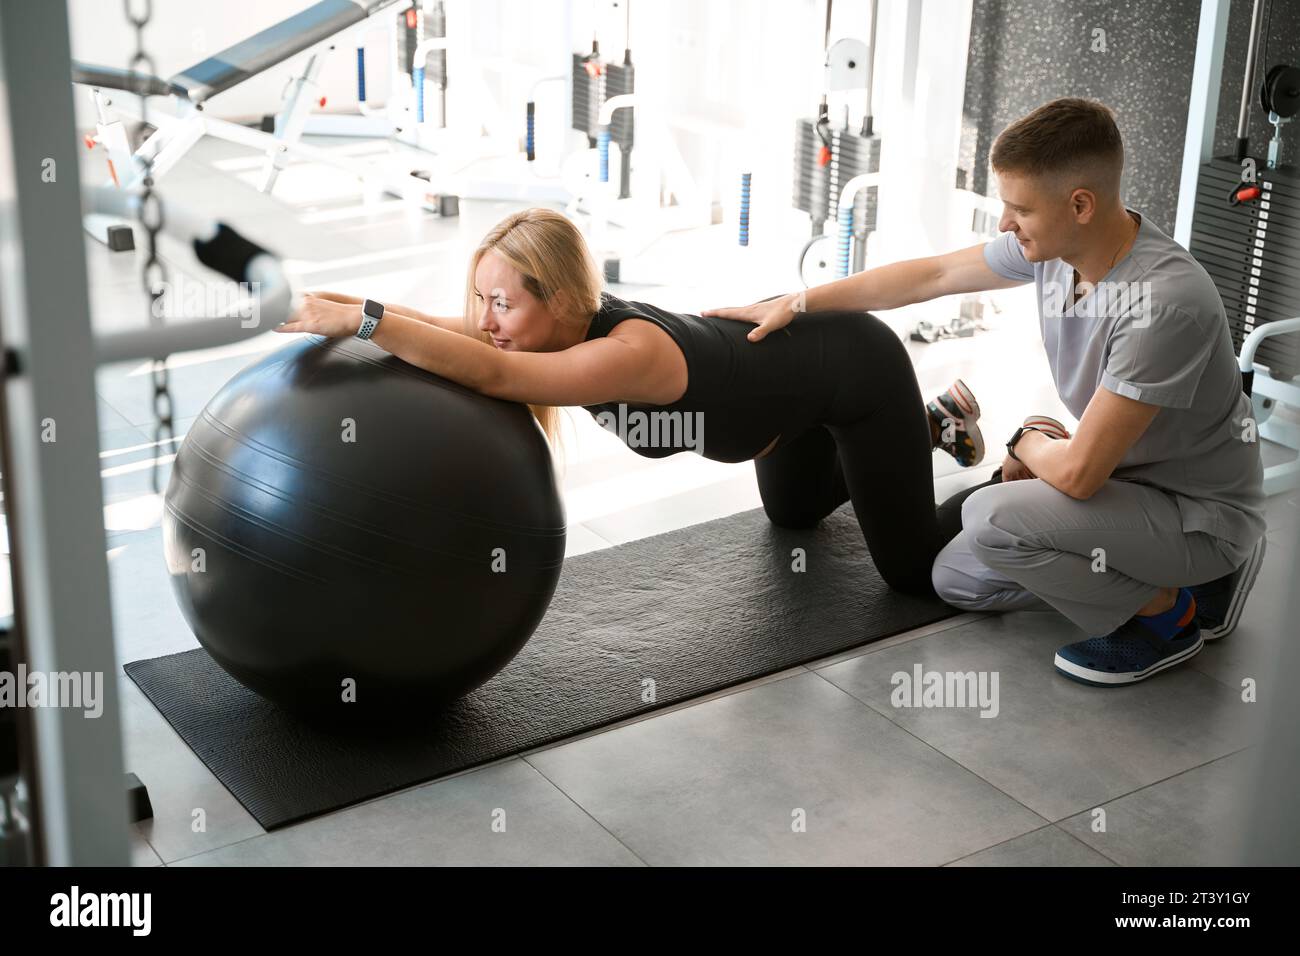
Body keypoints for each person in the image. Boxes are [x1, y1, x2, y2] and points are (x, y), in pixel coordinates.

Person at [704, 97, 1268, 687]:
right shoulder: (1059, 255)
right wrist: (797, 302)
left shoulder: (1164, 304)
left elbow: (1077, 477)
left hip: (1195, 513)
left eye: (1018, 208)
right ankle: (1151, 576)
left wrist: (1028, 444)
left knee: (991, 514)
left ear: (1080, 205)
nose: (1004, 223)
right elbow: (933, 275)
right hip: (1126, 483)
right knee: (955, 579)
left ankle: (1169, 615)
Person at [275, 207, 986, 598]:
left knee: (912, 571)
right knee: (793, 516)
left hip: (855, 371)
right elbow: (439, 328)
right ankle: (928, 426)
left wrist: (362, 323)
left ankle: (1012, 474)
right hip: (789, 411)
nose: (487, 321)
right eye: (482, 301)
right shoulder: (554, 328)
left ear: (556, 299)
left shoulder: (623, 354)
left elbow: (490, 375)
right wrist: (332, 306)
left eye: (501, 303)